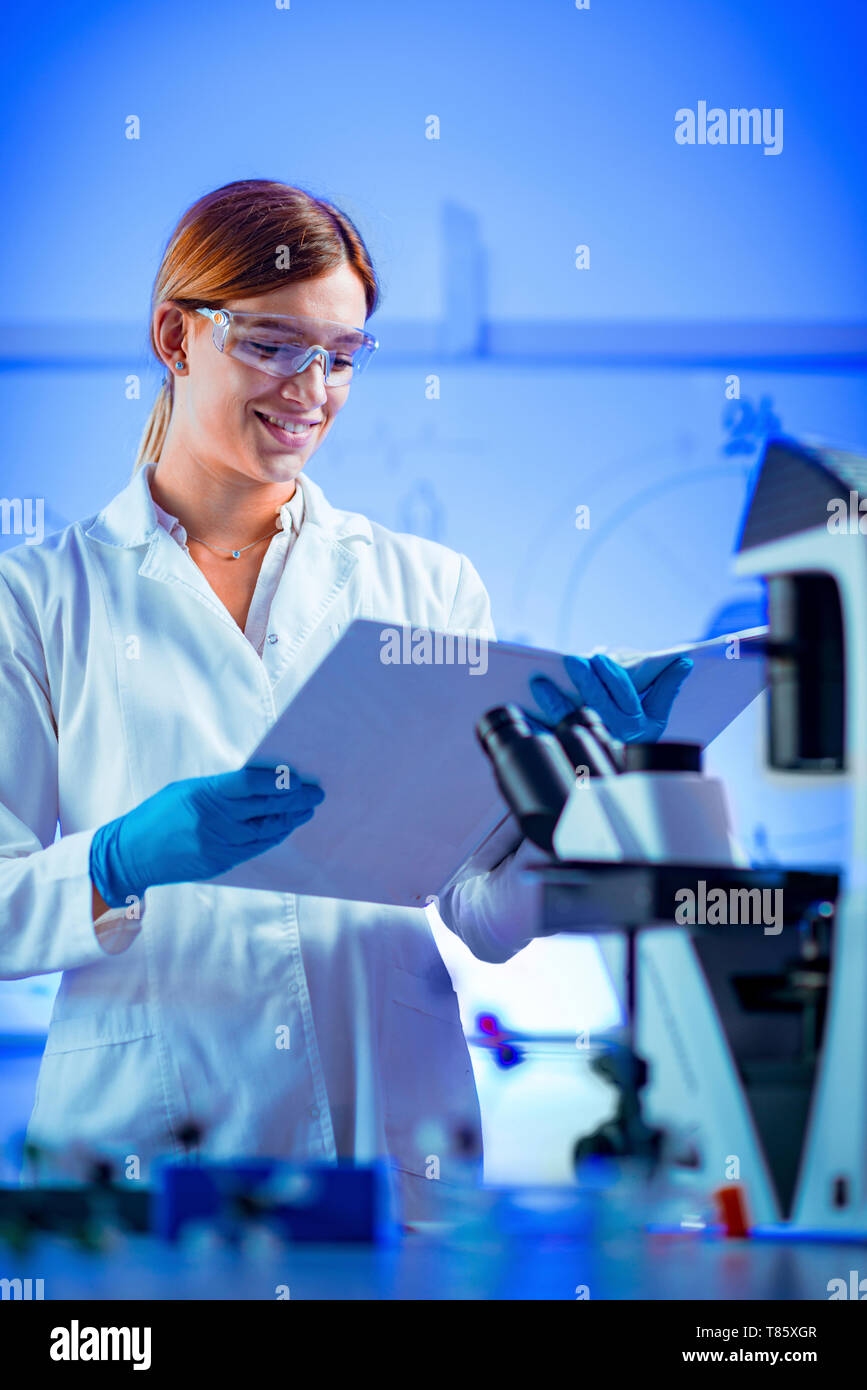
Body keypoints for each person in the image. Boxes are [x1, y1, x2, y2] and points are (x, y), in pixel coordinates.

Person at [0, 179, 689, 1222]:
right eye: (274, 345)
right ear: (176, 335)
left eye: (343, 354)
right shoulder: (40, 599)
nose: (311, 387)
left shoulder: (427, 585)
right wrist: (119, 856)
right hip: (151, 1135)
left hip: (393, 1138)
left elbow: (482, 910)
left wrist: (583, 781)